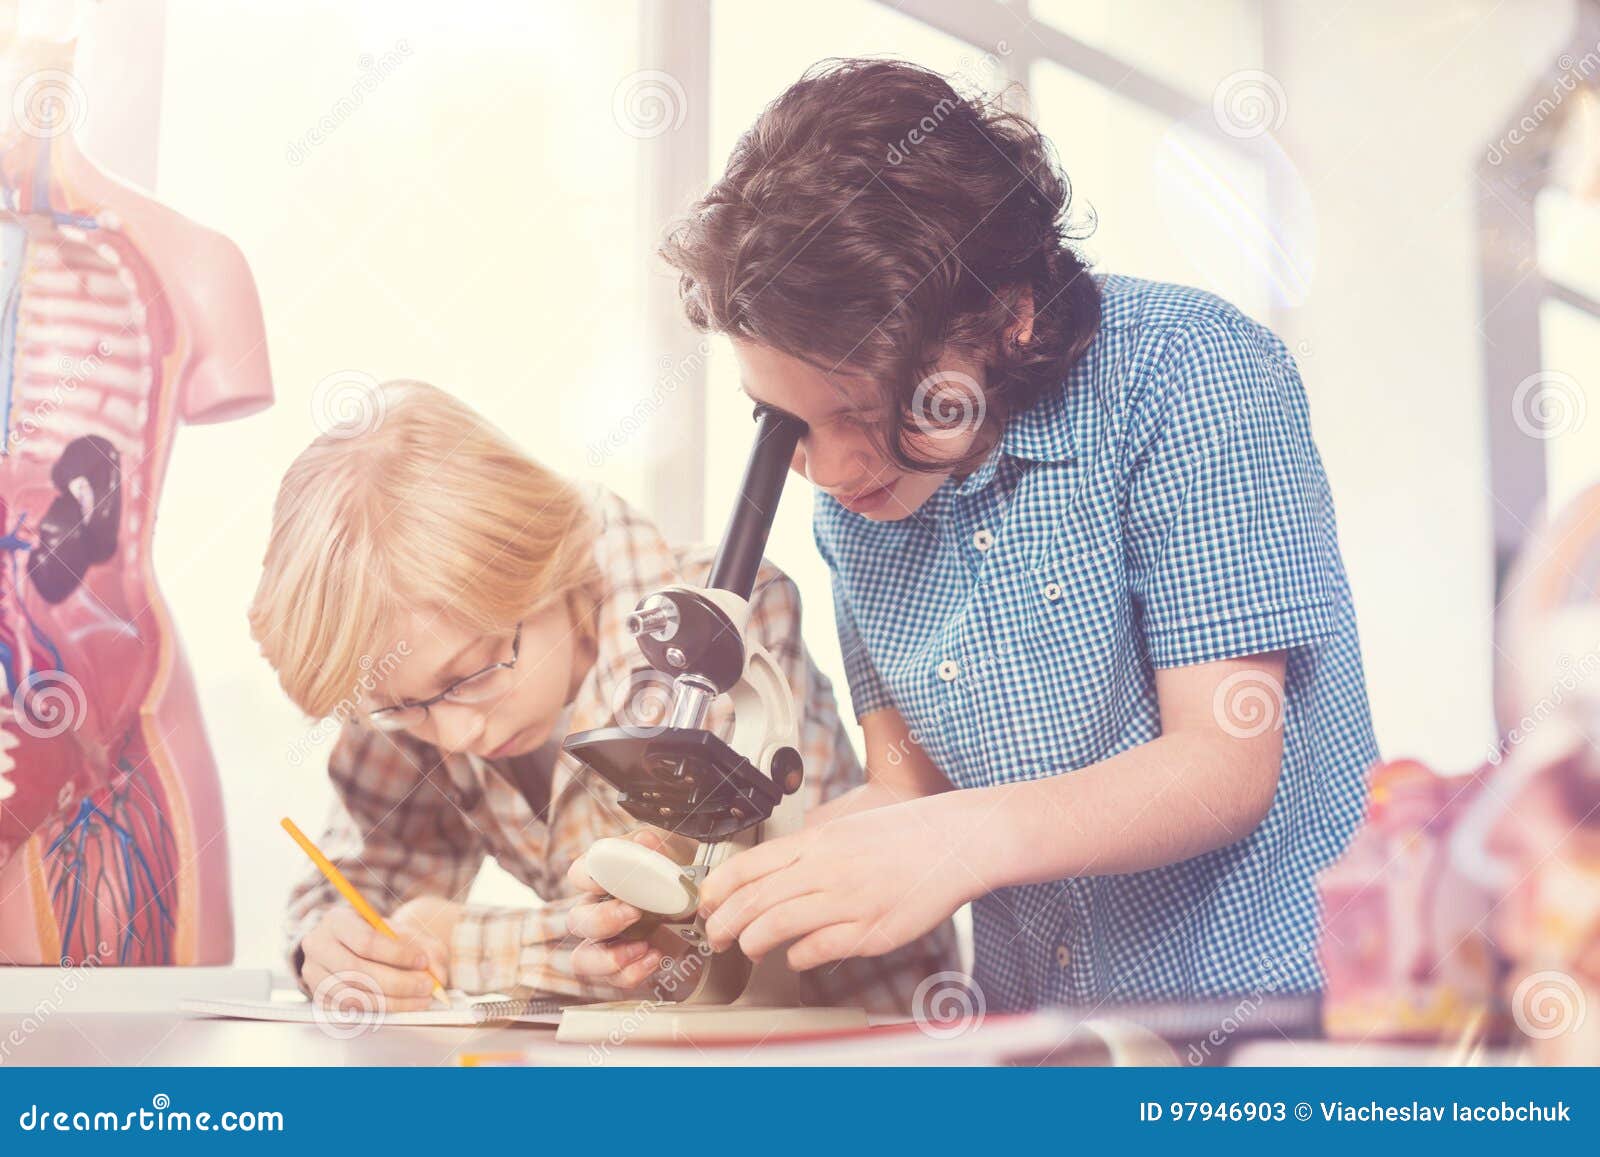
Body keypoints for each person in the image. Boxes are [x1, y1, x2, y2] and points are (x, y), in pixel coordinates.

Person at [660, 59, 1379, 1010]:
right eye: (787, 424)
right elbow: (904, 790)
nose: (829, 473)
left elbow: (1224, 761)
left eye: (858, 412)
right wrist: (719, 896)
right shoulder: (867, 500)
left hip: (1275, 1023)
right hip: (1040, 1037)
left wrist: (969, 839)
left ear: (1009, 320)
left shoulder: (1189, 375)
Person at [249, 379, 952, 1011]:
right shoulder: (415, 685)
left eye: (475, 671)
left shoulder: (727, 629)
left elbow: (704, 939)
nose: (454, 734)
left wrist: (453, 943)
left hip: (864, 1049)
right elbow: (367, 879)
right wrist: (332, 945)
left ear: (543, 564)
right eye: (402, 708)